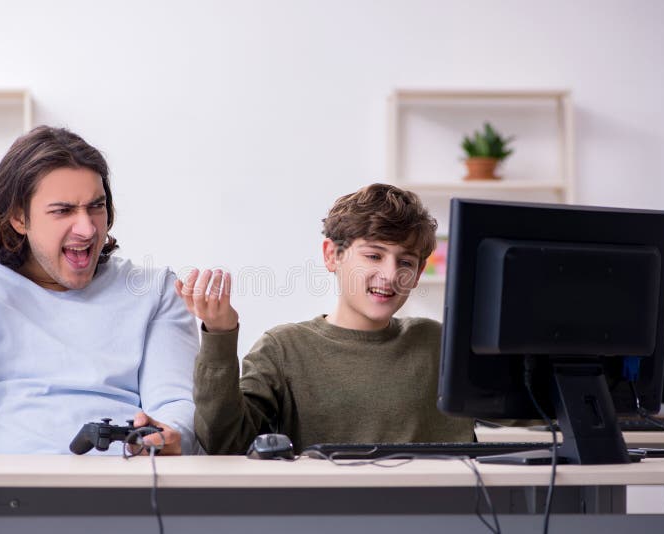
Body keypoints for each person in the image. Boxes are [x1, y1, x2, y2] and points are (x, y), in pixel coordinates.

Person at [0, 126, 199, 455]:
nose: (88, 228)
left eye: (96, 206)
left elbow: (177, 406)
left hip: (121, 489)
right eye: (63, 211)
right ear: (19, 217)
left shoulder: (155, 291)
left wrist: (171, 434)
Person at [180, 183, 474, 454]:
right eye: (374, 256)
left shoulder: (438, 342)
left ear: (419, 273)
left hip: (442, 506)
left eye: (406, 262)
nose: (390, 274)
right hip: (328, 507)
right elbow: (224, 441)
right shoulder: (283, 349)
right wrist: (220, 333)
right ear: (332, 256)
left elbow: (517, 413)